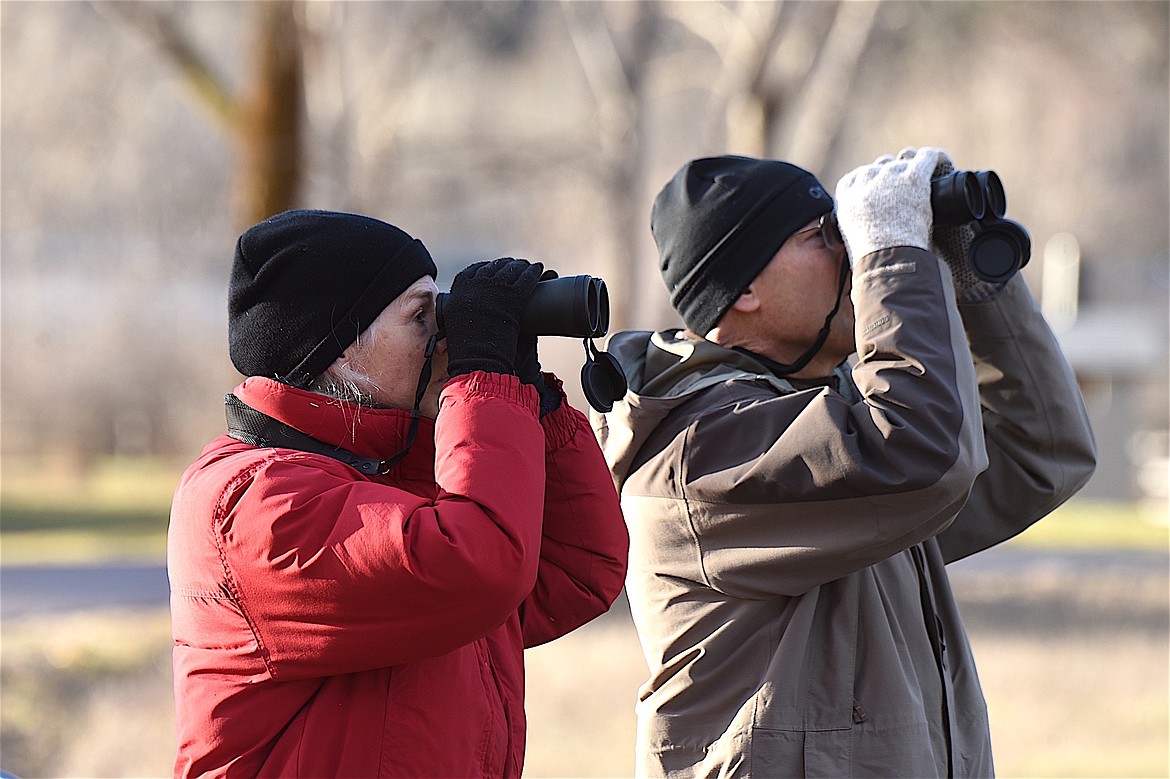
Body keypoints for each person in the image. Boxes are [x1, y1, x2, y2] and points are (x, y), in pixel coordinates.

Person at [591, 149, 1096, 777]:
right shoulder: (702, 450)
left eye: (851, 232)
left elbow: (1039, 452)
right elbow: (920, 452)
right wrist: (894, 253)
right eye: (823, 235)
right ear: (742, 289)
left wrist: (970, 281)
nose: (852, 254)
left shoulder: (838, 432)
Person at [168, 209, 629, 777]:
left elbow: (578, 566)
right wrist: (483, 380)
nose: (445, 339)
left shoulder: (389, 469)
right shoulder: (254, 501)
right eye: (420, 316)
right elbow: (479, 565)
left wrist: (530, 393)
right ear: (337, 349)